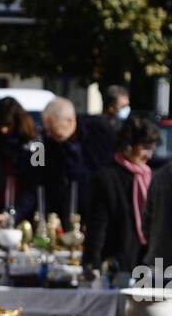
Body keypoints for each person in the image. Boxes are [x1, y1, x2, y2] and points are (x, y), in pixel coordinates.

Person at [84, 114, 159, 274]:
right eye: (145, 147)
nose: (150, 155)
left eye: (152, 149)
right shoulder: (107, 178)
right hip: (117, 263)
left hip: (150, 263)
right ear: (128, 145)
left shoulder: (151, 177)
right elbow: (97, 225)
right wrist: (91, 263)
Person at [39, 97, 91, 223]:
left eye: (53, 130)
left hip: (84, 210)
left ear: (70, 121)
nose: (49, 134)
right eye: (47, 130)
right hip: (54, 212)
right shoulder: (41, 144)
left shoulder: (93, 137)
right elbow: (34, 178)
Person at [80, 84, 131, 177]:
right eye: (123, 106)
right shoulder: (97, 126)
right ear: (111, 107)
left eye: (127, 105)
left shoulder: (121, 125)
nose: (126, 109)